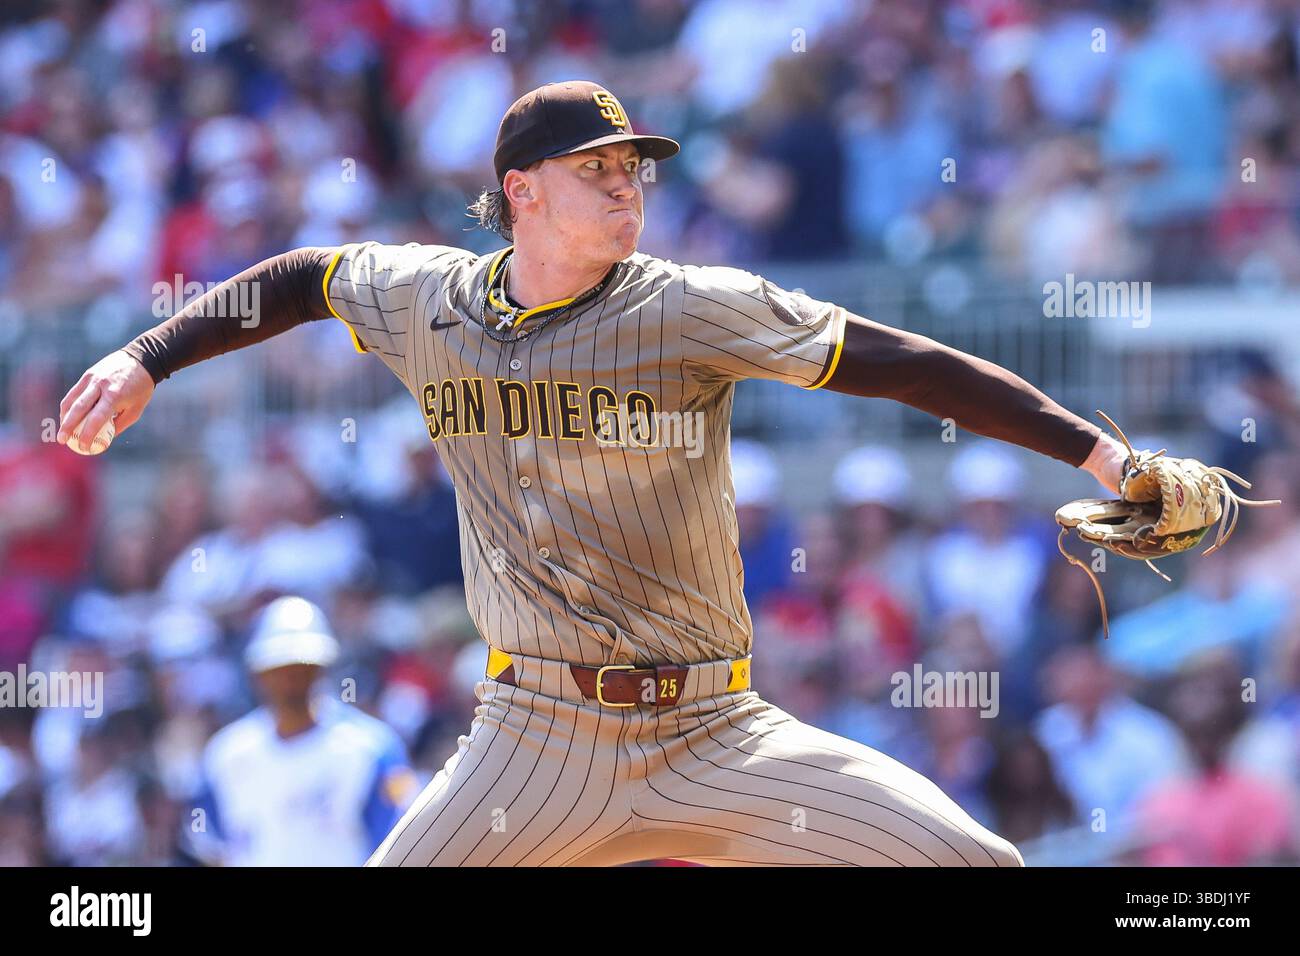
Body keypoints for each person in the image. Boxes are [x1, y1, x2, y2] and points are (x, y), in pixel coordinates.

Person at [58, 80, 1138, 867]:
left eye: (633, 170)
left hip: (716, 727)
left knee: (975, 866)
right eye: (598, 170)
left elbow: (899, 362)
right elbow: (303, 277)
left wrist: (1094, 450)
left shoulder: (683, 304)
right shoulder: (426, 297)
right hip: (533, 736)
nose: (628, 188)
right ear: (520, 190)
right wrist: (144, 354)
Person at [187, 596, 416, 866]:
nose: (291, 679)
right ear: (257, 673)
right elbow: (211, 847)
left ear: (322, 668)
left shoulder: (372, 748)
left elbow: (402, 840)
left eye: (302, 667)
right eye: (280, 669)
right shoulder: (225, 755)